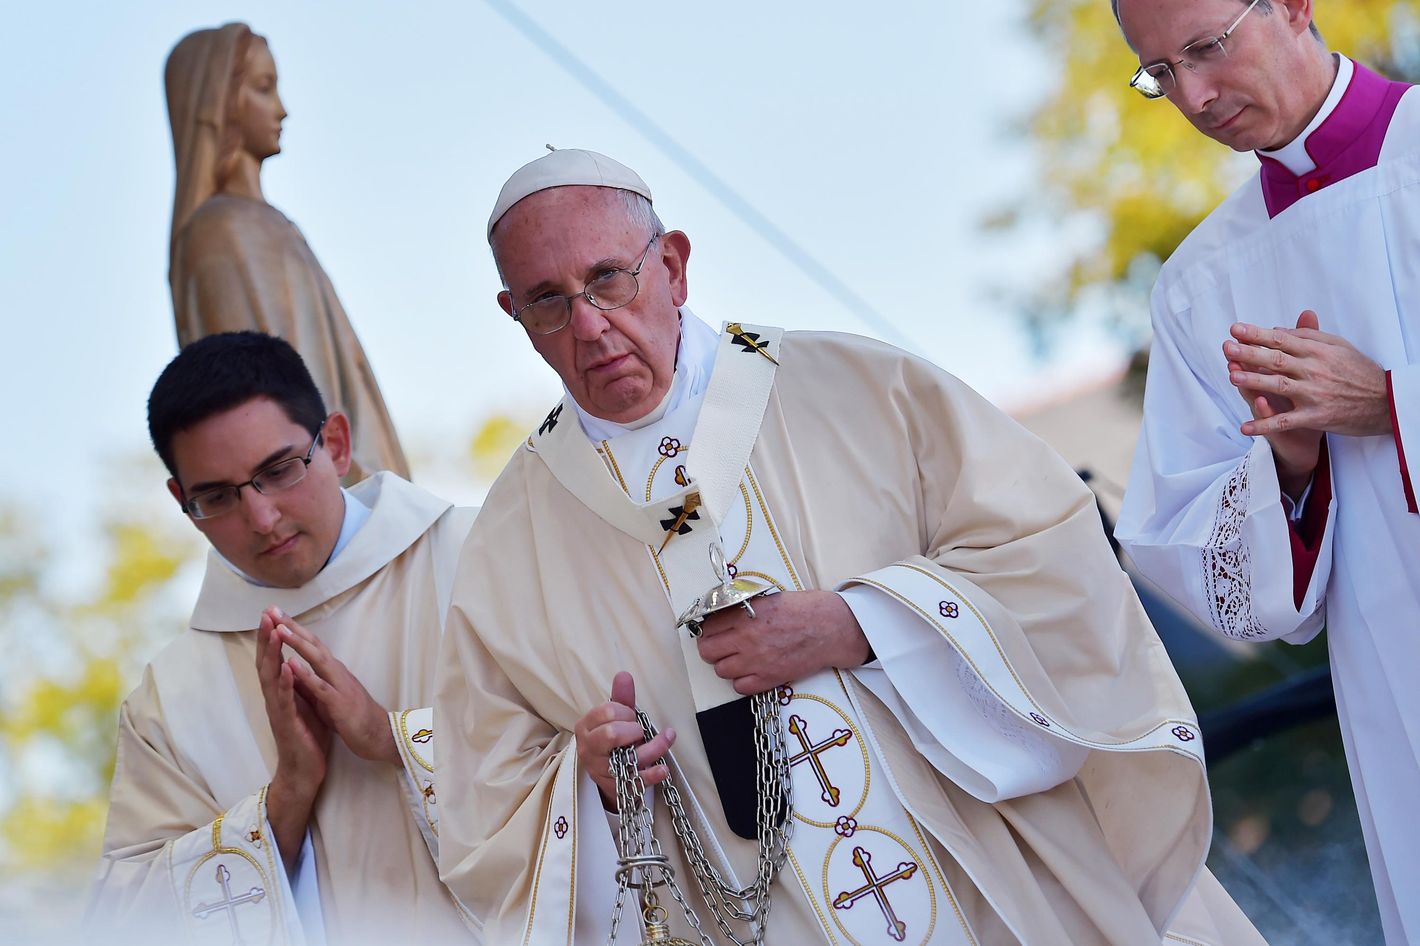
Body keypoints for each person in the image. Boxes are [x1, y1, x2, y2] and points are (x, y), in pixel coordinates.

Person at [435, 148, 1264, 945]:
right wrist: (592, 787)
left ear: (675, 266)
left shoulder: (857, 388)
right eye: (548, 300)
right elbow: (489, 821)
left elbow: (1057, 558)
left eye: (609, 279)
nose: (590, 324)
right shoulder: (510, 542)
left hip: (991, 887)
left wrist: (863, 623)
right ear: (516, 317)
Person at [1110, 1, 1420, 940]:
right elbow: (1183, 548)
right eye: (1161, 72)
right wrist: (1284, 466)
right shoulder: (1200, 284)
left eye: (1207, 48)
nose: (1195, 96)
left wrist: (1390, 406)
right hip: (1394, 682)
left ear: (1292, 5)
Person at [87, 332, 476, 944]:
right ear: (179, 499)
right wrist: (287, 797)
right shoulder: (170, 698)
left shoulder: (478, 560)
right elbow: (128, 921)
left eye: (279, 469)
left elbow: (591, 748)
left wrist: (392, 737)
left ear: (338, 444)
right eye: (215, 496)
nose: (262, 519)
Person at [164, 23, 409, 483]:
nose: (281, 109)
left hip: (364, 491)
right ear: (220, 104)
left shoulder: (270, 225)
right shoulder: (219, 232)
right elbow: (254, 403)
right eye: (263, 87)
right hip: (327, 496)